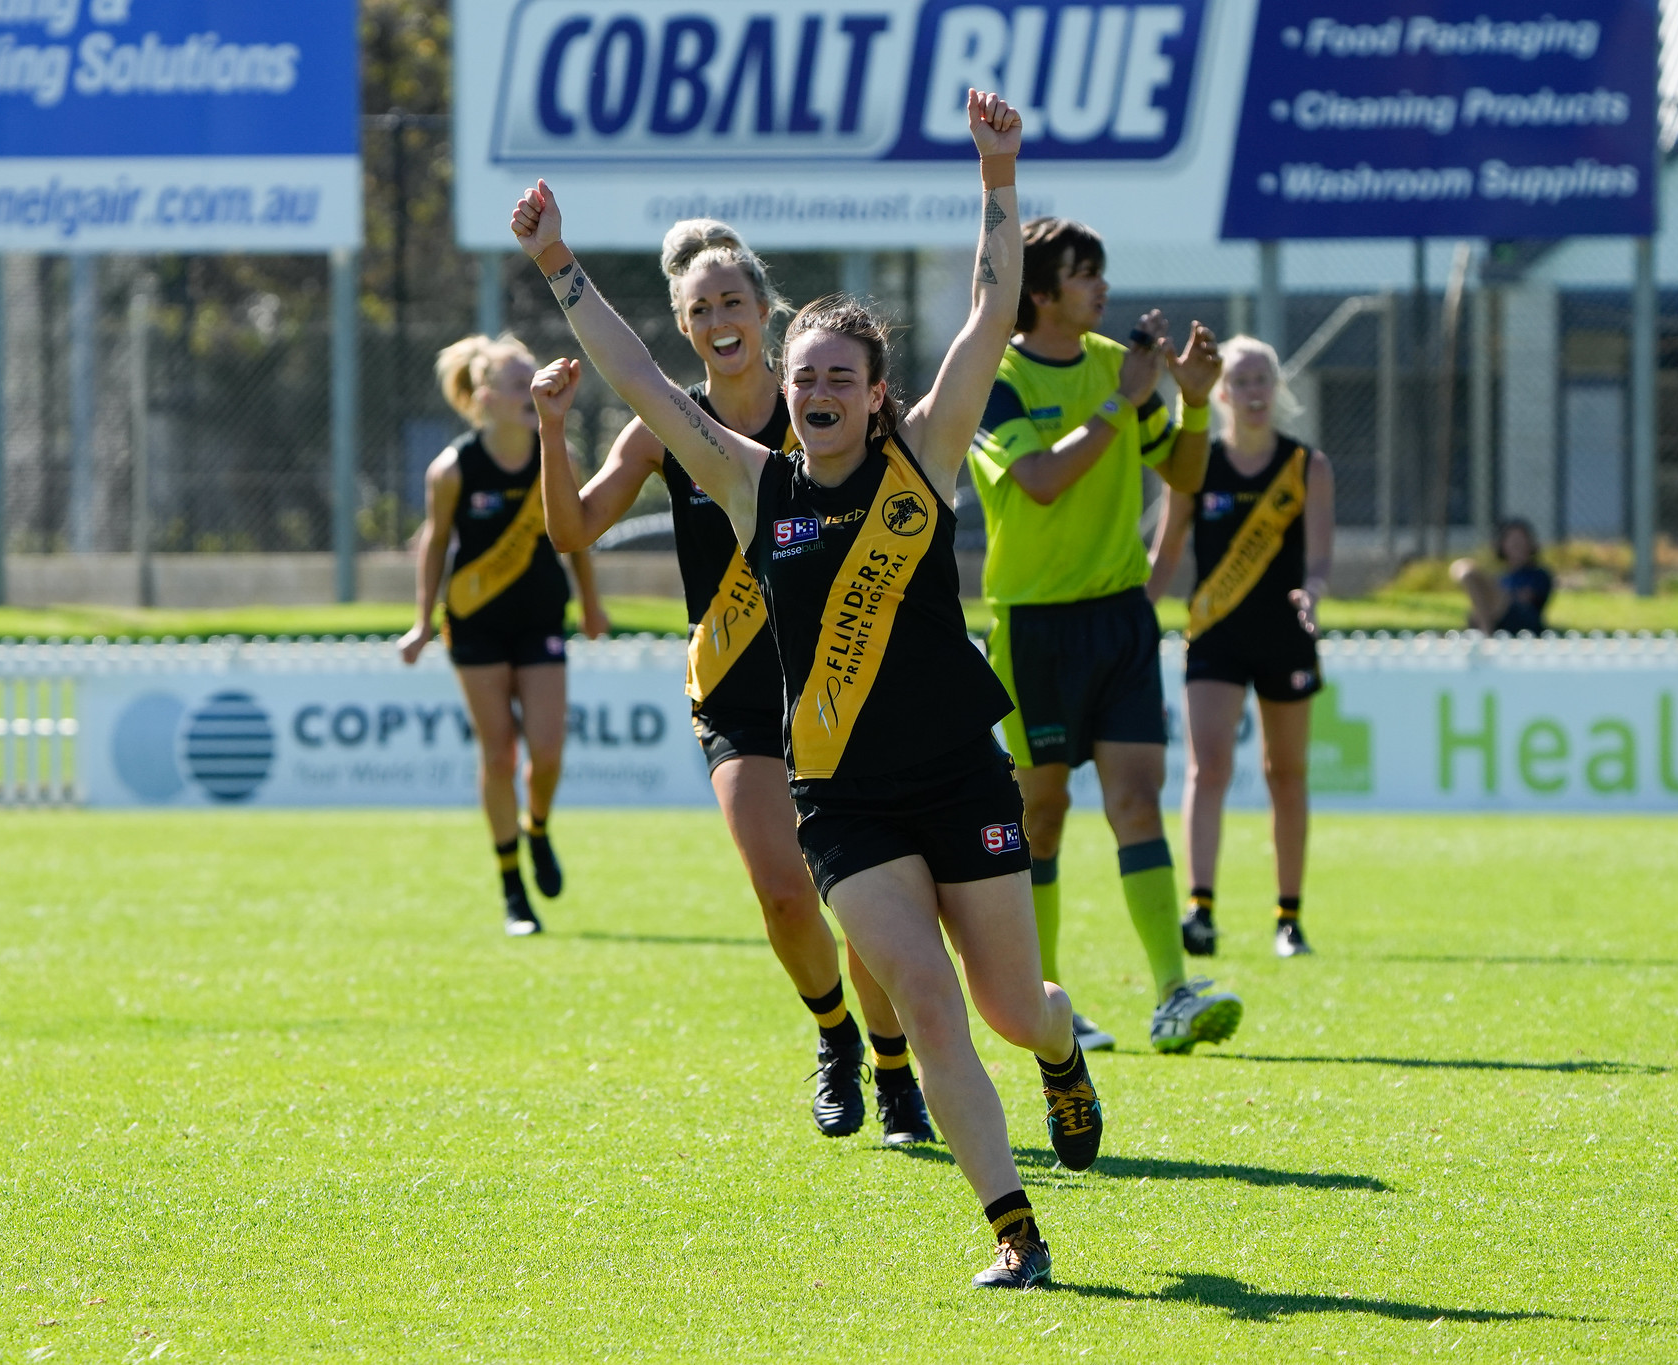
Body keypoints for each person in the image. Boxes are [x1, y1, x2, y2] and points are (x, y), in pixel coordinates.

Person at [515, 91, 1098, 1291]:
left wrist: (998, 176)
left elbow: (990, 311)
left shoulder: (924, 457)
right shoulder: (751, 484)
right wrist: (558, 264)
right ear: (785, 392)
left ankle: (1060, 1051)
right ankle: (1014, 1231)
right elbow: (640, 380)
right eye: (804, 377)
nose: (818, 390)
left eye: (840, 375)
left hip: (958, 776)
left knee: (1008, 1008)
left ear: (875, 392)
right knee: (925, 1004)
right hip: (842, 801)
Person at [537, 218, 926, 1148]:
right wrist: (551, 426)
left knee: (862, 899)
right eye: (700, 308)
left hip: (843, 685)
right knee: (785, 893)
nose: (719, 320)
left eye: (733, 302)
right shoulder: (665, 427)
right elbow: (572, 529)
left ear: (765, 311)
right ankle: (834, 1035)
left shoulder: (823, 407)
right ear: (682, 324)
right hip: (737, 695)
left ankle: (896, 1068)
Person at [968, 214, 1241, 1055]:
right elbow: (1041, 480)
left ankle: (1173, 991)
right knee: (1041, 814)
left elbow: (1184, 473)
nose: (1103, 287)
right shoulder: (997, 378)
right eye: (1086, 273)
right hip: (1034, 625)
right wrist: (1125, 400)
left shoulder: (1114, 366)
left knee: (1136, 799)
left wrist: (1193, 402)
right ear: (1042, 292)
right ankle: (1047, 1000)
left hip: (1120, 617)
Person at [397, 333, 609, 936]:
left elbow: (577, 535)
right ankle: (513, 887)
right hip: (475, 624)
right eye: (520, 384)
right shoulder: (452, 470)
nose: (532, 390)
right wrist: (421, 622)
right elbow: (435, 544)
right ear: (486, 397)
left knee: (547, 751)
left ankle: (536, 827)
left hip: (541, 620)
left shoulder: (556, 454)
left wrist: (592, 606)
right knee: (497, 755)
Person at [1147, 337, 1335, 959]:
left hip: (1285, 637)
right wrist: (1136, 613)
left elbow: (1319, 561)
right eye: (1243, 381)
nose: (1255, 392)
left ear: (1277, 389)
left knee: (1287, 773)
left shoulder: (1307, 465)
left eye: (1263, 380)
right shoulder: (1197, 465)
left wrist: (1312, 593)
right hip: (1216, 635)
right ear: (1222, 392)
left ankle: (1289, 917)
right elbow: (1166, 554)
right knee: (1209, 767)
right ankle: (1200, 910)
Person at [1451, 519, 1554, 634]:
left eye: (1521, 540)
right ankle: (1484, 629)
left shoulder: (1539, 574)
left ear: (1530, 543)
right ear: (1502, 545)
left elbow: (1524, 603)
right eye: (1512, 541)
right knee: (1469, 578)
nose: (1517, 545)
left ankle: (1486, 632)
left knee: (1470, 573)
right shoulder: (1501, 577)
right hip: (1498, 623)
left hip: (1525, 625)